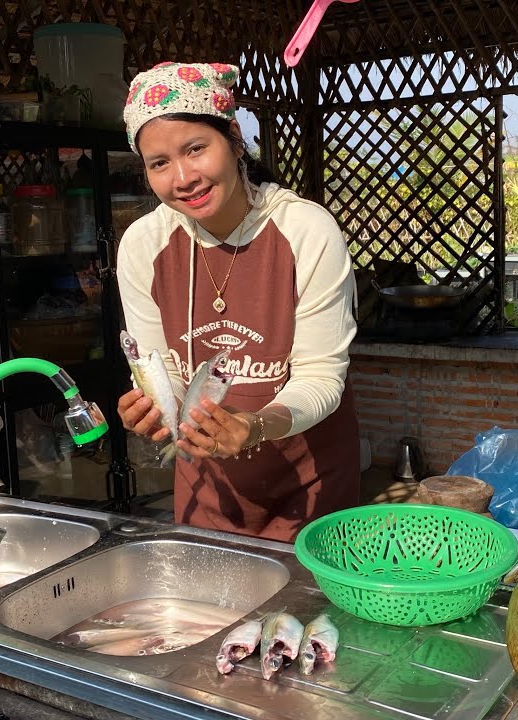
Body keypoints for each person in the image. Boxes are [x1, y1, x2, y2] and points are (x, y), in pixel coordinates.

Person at [115, 61, 360, 543]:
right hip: (207, 490)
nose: (182, 178)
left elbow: (322, 378)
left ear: (233, 138)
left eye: (195, 149)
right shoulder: (145, 245)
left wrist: (254, 425)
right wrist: (151, 408)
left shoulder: (305, 231)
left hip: (308, 490)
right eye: (159, 163)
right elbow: (153, 365)